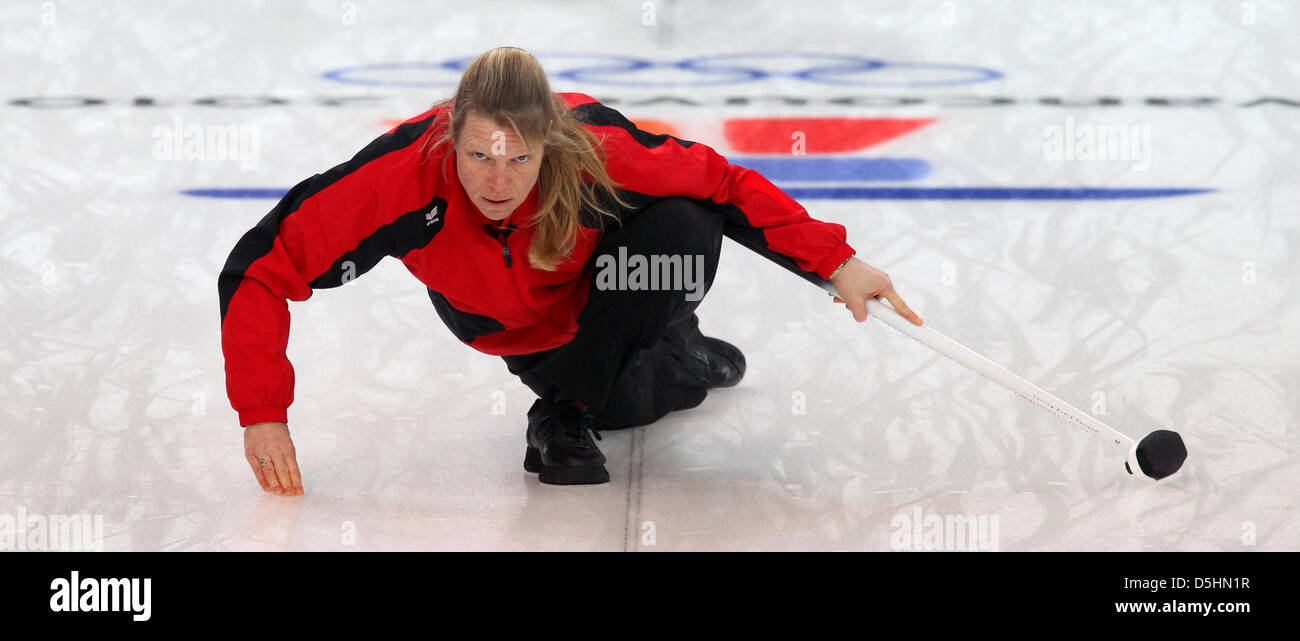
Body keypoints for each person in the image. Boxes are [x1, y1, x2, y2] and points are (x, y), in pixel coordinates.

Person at [218, 46, 923, 493]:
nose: (498, 180)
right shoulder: (398, 178)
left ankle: (567, 411)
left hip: (610, 292)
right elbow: (257, 268)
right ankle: (673, 357)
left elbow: (727, 186)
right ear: (451, 135)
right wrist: (263, 413)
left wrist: (839, 262)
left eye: (520, 158)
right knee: (644, 401)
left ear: (549, 142)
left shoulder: (596, 148)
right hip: (516, 327)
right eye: (479, 157)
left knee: (681, 224)